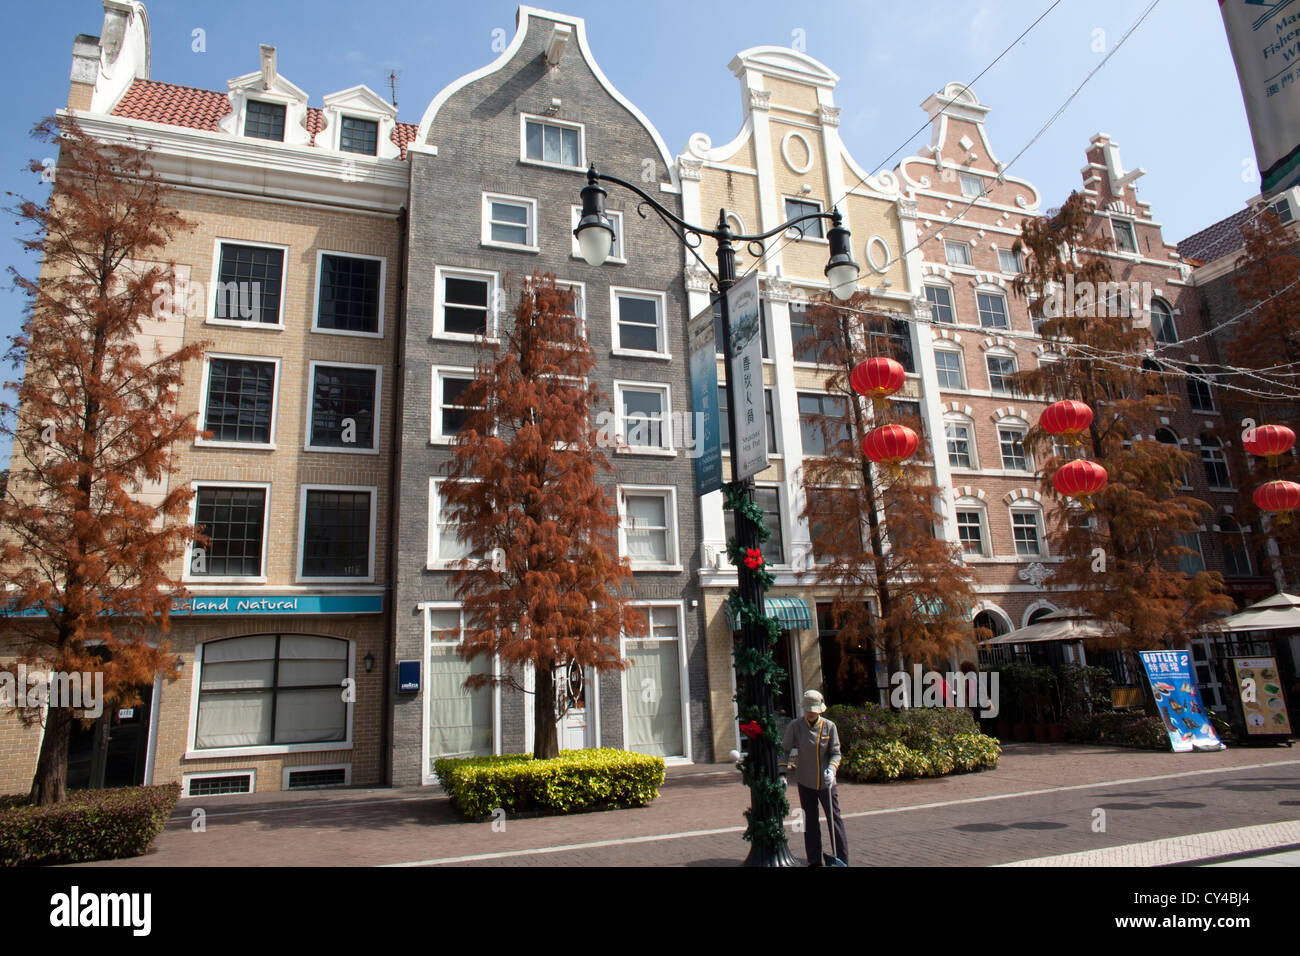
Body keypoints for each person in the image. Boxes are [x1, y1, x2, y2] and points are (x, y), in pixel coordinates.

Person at [780, 689, 848, 866]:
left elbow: (835, 753)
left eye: (814, 710)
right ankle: (814, 860)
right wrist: (782, 774)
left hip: (826, 783)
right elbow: (784, 750)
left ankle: (841, 859)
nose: (811, 713)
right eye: (808, 710)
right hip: (805, 782)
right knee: (810, 823)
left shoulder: (829, 726)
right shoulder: (795, 726)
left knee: (835, 820)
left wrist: (832, 770)